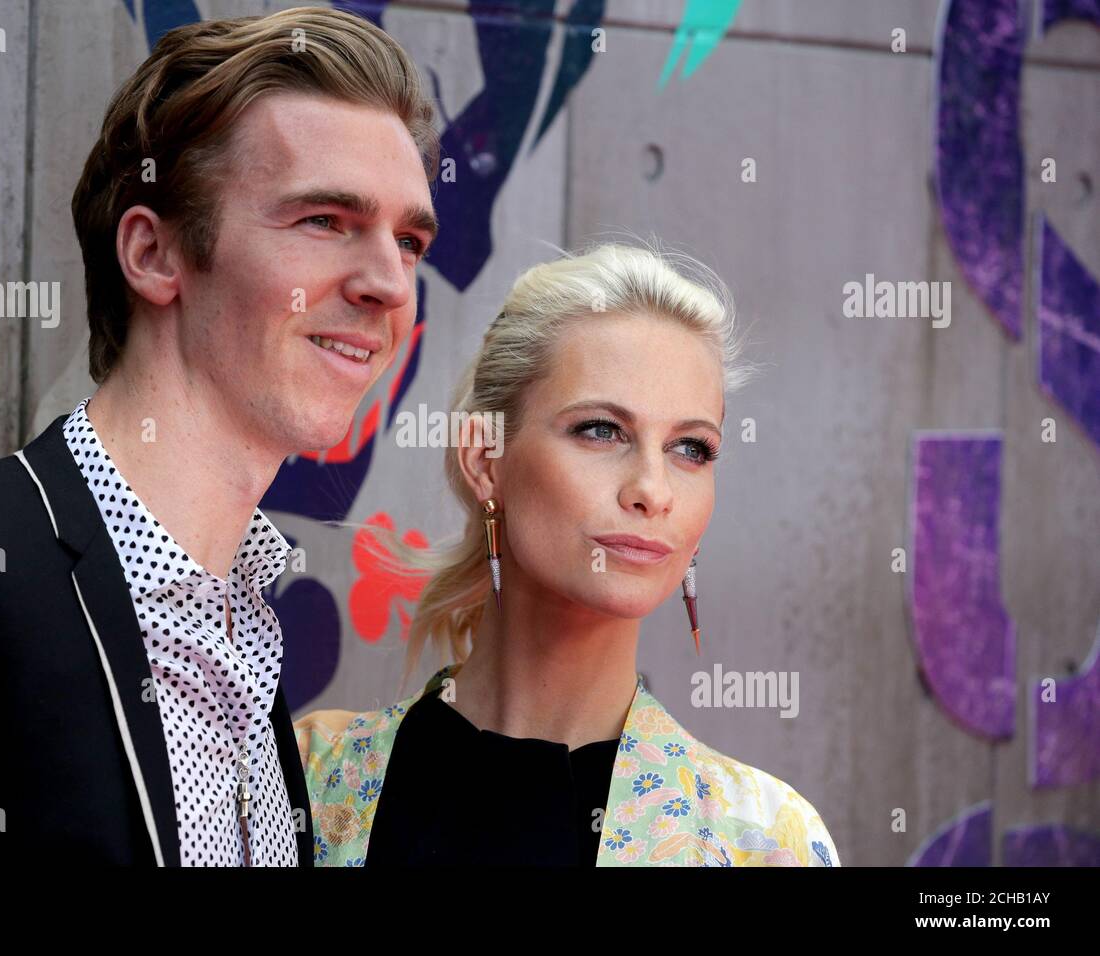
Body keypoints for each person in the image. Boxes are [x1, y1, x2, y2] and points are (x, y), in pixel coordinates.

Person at [0, 7, 439, 866]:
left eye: (409, 241)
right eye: (324, 221)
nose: (389, 284)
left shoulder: (246, 631)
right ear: (154, 254)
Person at [295, 241, 841, 866]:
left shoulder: (765, 840)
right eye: (601, 430)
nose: (652, 491)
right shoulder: (309, 779)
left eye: (692, 449)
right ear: (485, 460)